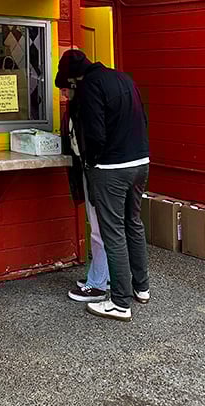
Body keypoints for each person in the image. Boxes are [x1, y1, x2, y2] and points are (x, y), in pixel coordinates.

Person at [57, 49, 150, 323]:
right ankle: (141, 288)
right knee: (133, 224)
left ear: (73, 78)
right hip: (140, 162)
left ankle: (120, 302)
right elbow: (143, 119)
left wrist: (91, 162)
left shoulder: (89, 87)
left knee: (112, 232)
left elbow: (95, 134)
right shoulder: (123, 78)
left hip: (111, 168)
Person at [56, 79, 109, 303]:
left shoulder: (85, 109)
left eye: (64, 90)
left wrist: (91, 163)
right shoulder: (85, 106)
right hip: (100, 171)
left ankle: (98, 284)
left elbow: (92, 140)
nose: (63, 95)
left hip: (97, 172)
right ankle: (102, 275)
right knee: (103, 227)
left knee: (99, 228)